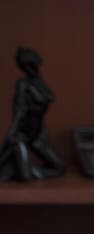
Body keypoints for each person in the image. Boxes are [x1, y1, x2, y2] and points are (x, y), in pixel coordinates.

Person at [0, 47, 66, 180]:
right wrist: (12, 134)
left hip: (38, 134)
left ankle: (20, 169)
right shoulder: (23, 84)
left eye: (31, 65)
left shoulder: (39, 83)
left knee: (60, 168)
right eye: (26, 66)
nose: (30, 69)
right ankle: (15, 168)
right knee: (25, 176)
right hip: (22, 134)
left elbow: (49, 98)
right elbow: (19, 111)